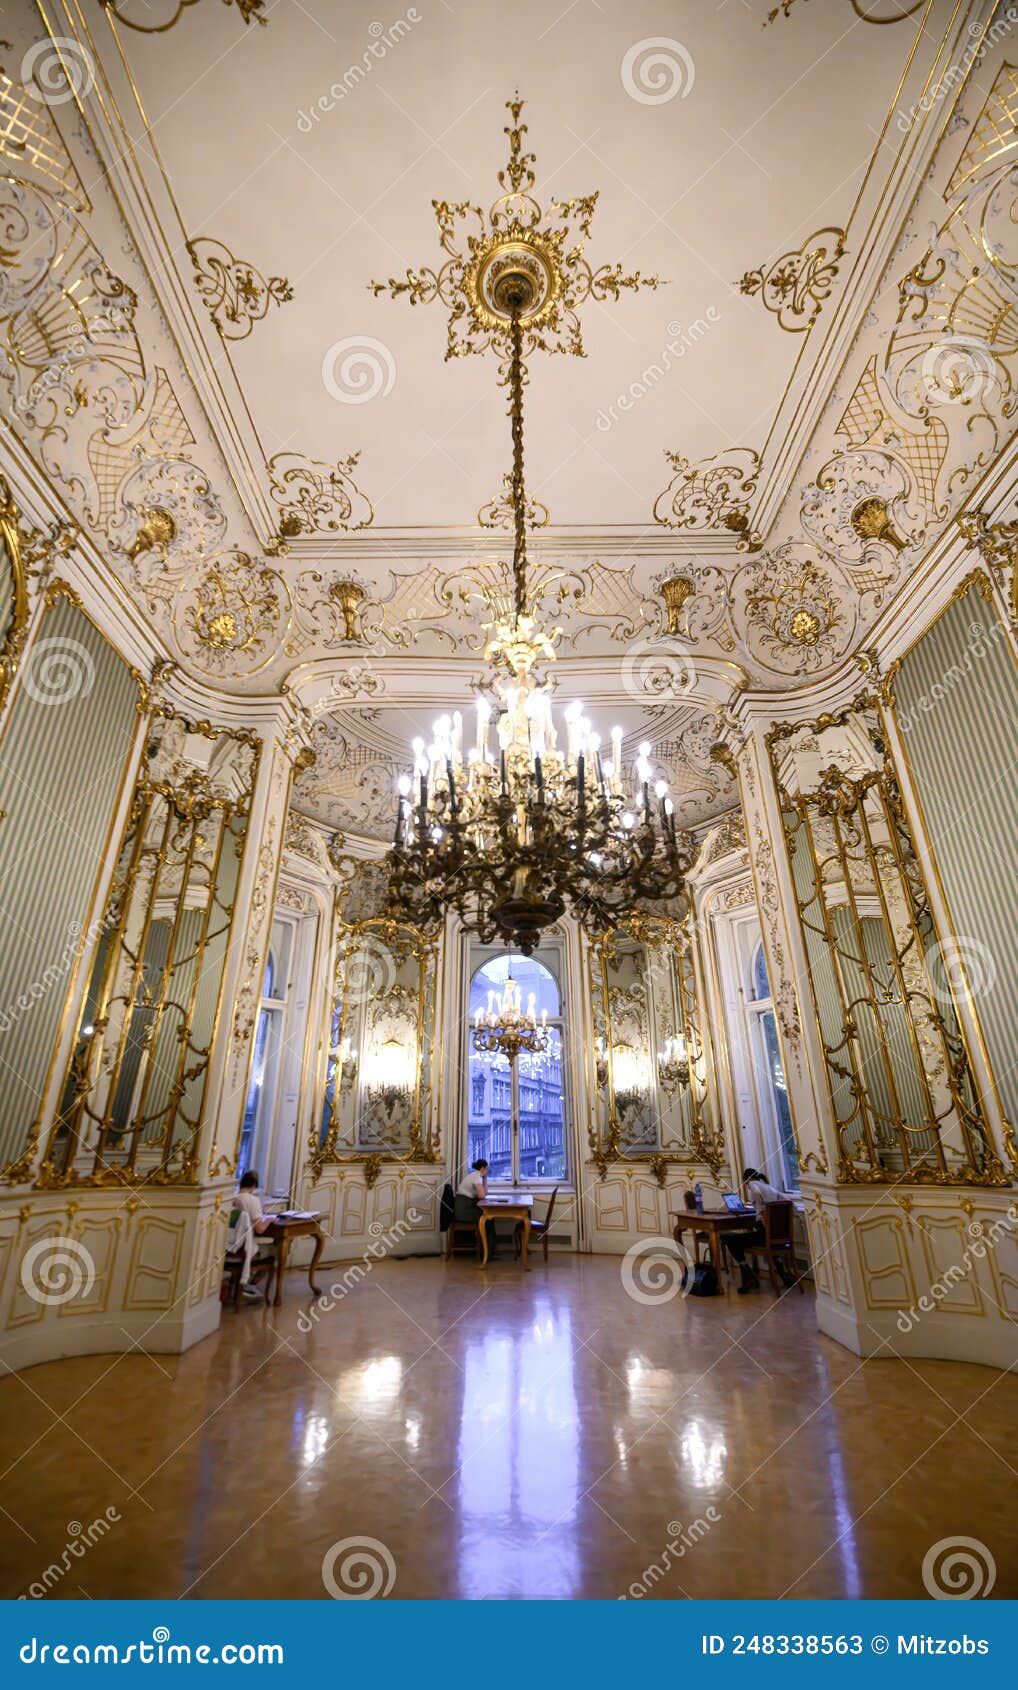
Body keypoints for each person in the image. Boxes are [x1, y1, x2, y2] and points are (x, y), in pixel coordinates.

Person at [724, 1166, 795, 1293]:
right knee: (752, 1238)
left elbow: (757, 1195)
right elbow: (790, 1203)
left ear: (747, 1180)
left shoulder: (753, 1185)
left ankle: (749, 1276)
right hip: (780, 1237)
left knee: (730, 1239)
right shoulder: (769, 1187)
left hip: (766, 1236)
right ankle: (783, 1275)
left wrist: (761, 1212)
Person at [232, 1169, 276, 1300]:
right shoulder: (253, 1200)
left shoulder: (233, 1198)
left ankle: (239, 1285)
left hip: (232, 1245)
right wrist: (269, 1219)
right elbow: (260, 1229)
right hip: (246, 1246)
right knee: (274, 1252)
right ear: (253, 1185)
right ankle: (251, 1285)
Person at [455, 1159, 495, 1256]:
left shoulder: (475, 1175)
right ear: (483, 1168)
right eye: (487, 1169)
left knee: (488, 1217)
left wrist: (485, 1178)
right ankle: (487, 1253)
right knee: (488, 1218)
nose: (487, 1171)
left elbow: (484, 1193)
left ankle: (487, 1252)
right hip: (463, 1210)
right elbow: (482, 1195)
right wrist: (484, 1178)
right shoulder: (476, 1177)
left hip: (464, 1208)